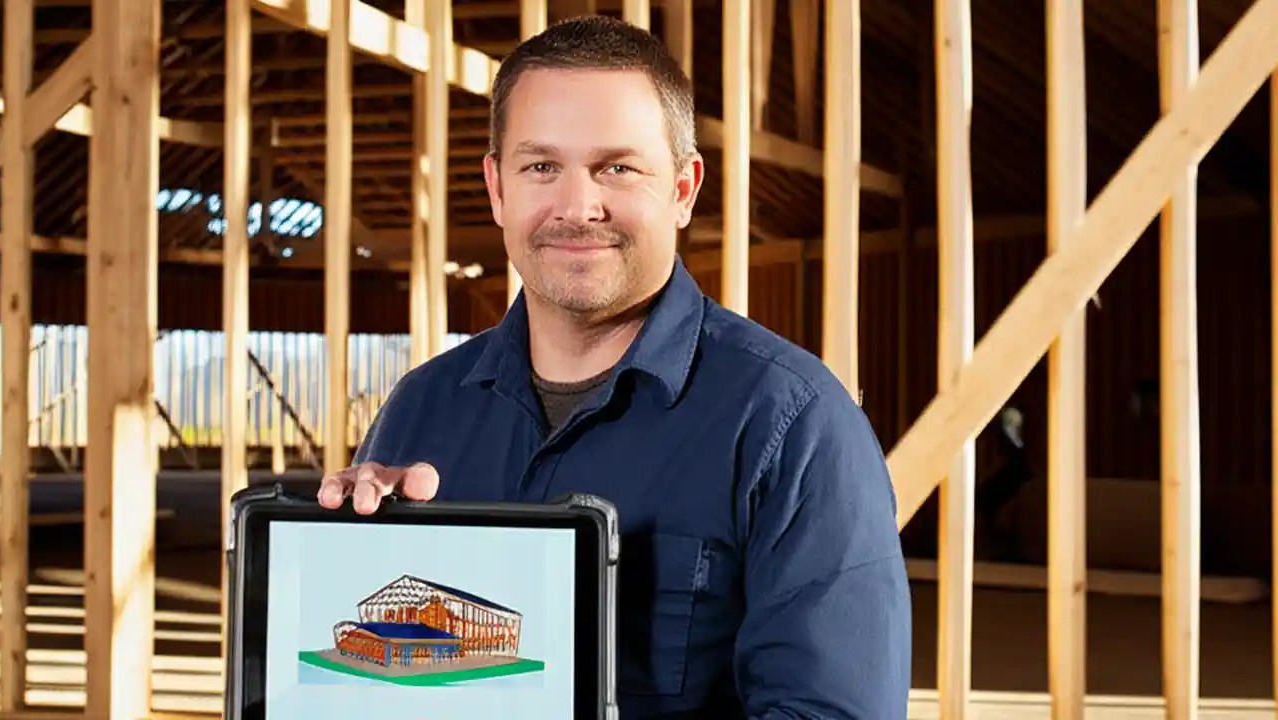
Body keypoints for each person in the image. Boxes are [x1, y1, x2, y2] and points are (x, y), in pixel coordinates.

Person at [318, 15, 911, 719]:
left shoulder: (794, 424)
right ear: (498, 188)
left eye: (617, 168)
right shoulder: (423, 407)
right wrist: (340, 555)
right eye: (541, 166)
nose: (577, 206)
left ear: (685, 189)